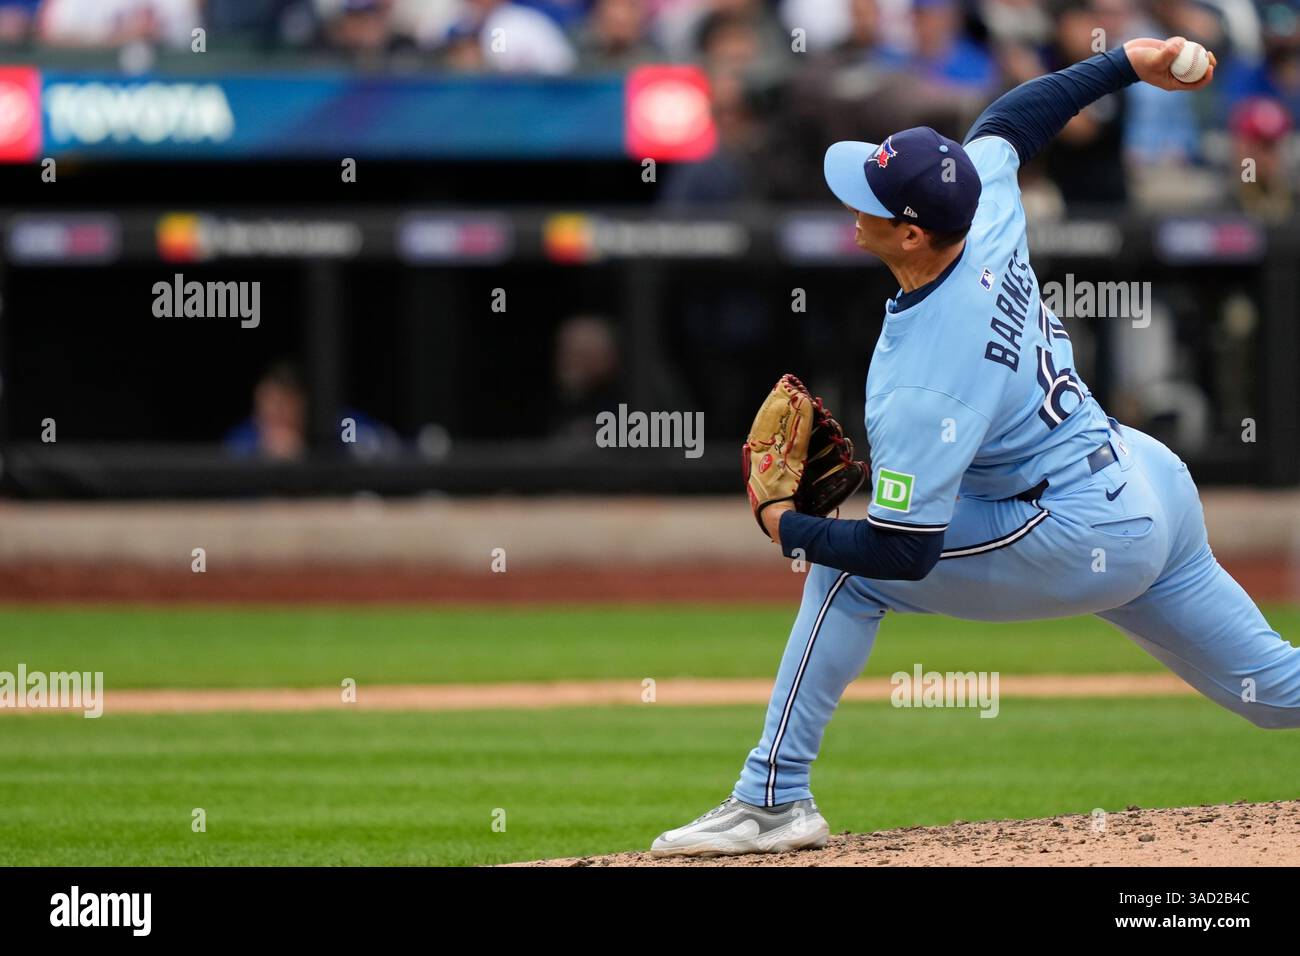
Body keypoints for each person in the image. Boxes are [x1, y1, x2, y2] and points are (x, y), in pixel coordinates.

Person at [652, 37, 1299, 860]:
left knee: (846, 572)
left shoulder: (925, 384)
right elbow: (1010, 120)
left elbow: (904, 551)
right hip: (1145, 479)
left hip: (1080, 528)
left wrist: (787, 525)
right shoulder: (982, 207)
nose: (852, 206)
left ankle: (771, 800)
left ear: (914, 234)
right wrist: (1123, 63)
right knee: (1275, 691)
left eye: (871, 199)